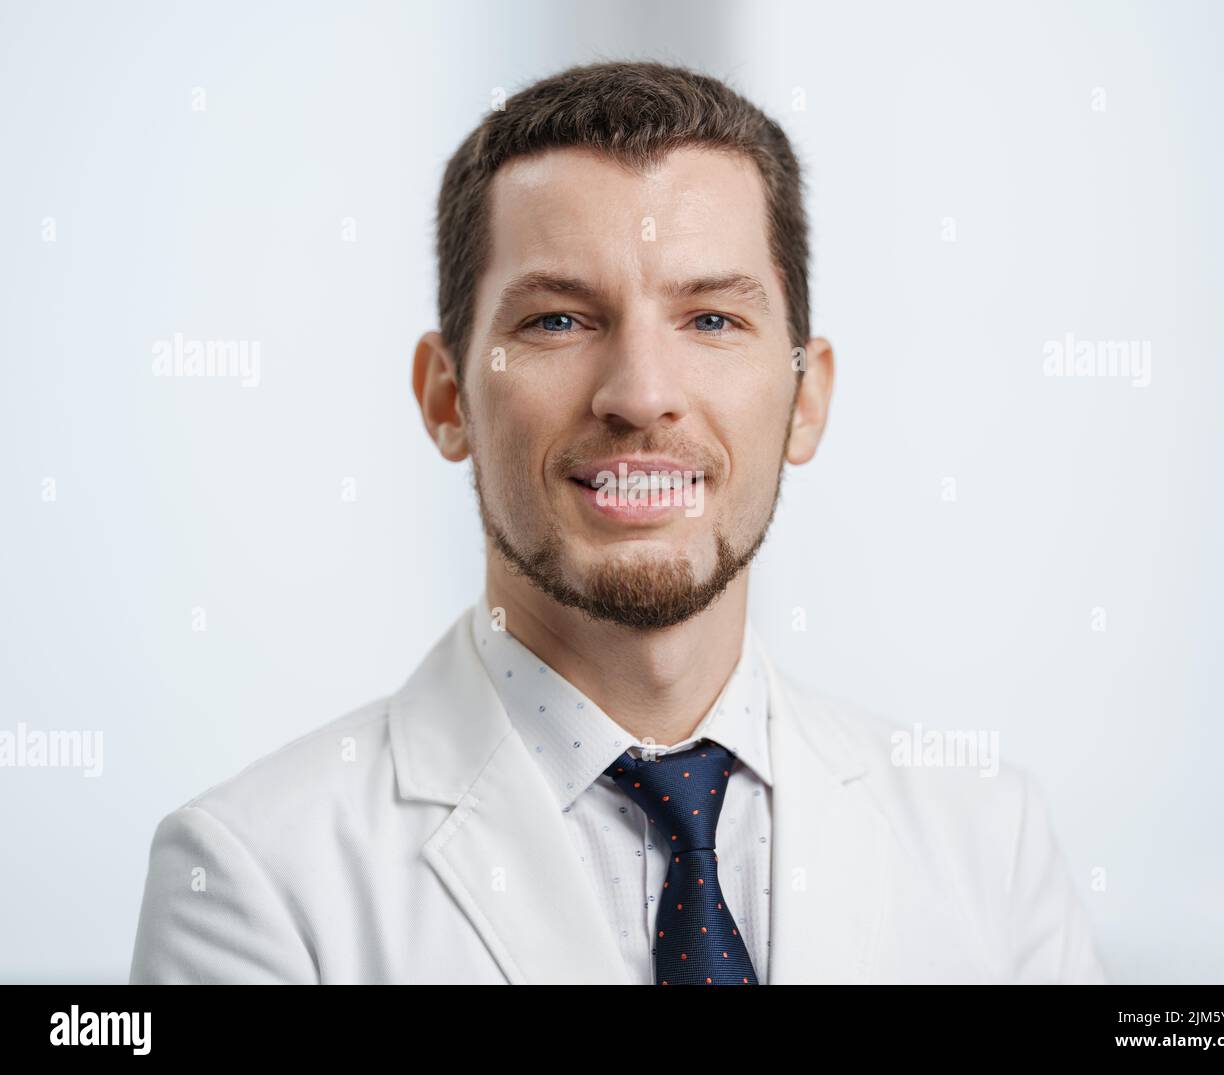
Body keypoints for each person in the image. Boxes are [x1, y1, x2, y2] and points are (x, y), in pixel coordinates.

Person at [128, 59, 1106, 985]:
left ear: (806, 399)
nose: (641, 396)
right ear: (446, 398)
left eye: (712, 320)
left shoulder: (990, 842)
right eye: (558, 319)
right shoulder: (254, 876)